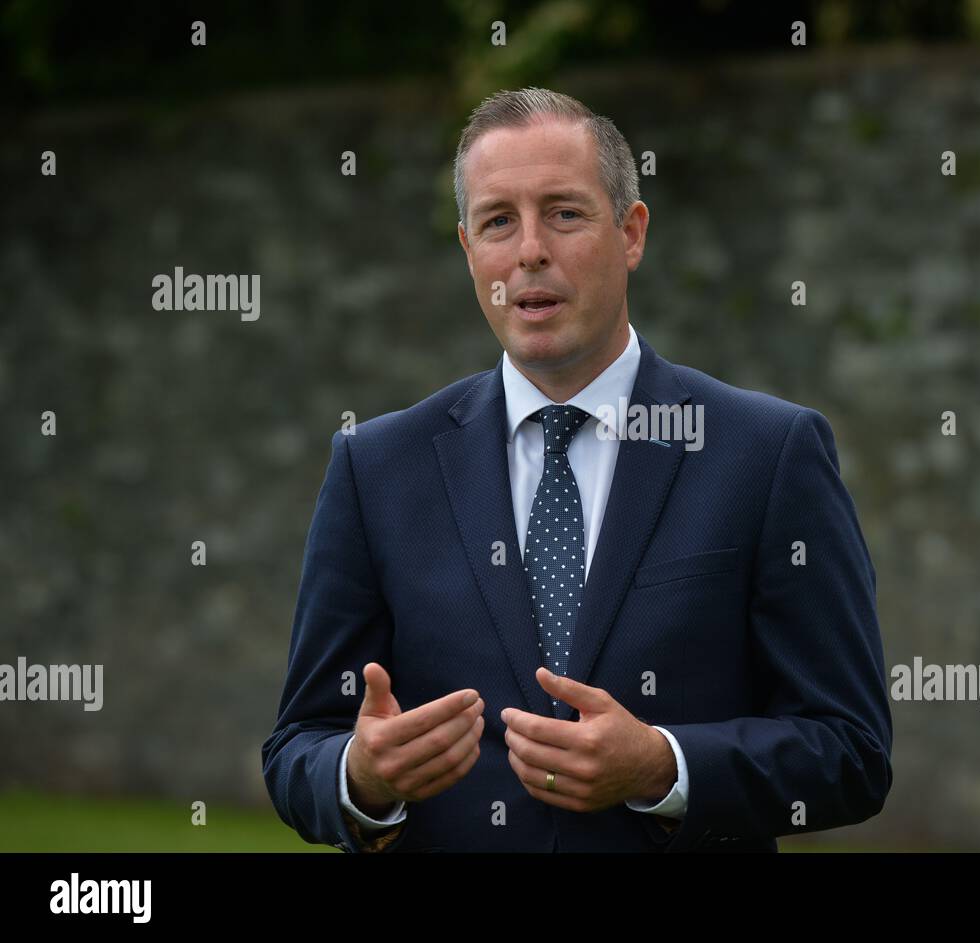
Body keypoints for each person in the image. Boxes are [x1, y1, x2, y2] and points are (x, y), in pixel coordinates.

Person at [261, 87, 892, 853]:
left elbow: (851, 750)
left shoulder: (767, 452)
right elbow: (298, 746)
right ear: (469, 252)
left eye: (563, 213)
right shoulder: (375, 467)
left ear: (631, 233)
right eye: (499, 221)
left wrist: (663, 766)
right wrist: (360, 776)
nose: (529, 249)